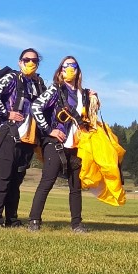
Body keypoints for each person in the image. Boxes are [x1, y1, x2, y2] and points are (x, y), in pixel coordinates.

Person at [26, 56, 98, 234]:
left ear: (78, 70)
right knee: (47, 182)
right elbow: (36, 107)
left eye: (73, 65)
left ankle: (77, 224)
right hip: (56, 143)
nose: (70, 69)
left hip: (77, 145)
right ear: (60, 71)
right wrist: (49, 130)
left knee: (76, 187)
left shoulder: (84, 94)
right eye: (66, 66)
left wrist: (94, 98)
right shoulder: (55, 90)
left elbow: (89, 117)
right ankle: (34, 221)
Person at [0, 48, 47, 228]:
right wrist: (6, 113)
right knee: (3, 178)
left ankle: (12, 219)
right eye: (26, 60)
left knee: (16, 181)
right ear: (20, 62)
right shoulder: (12, 78)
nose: (30, 63)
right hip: (9, 134)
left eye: (34, 61)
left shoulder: (39, 84)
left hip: (28, 140)